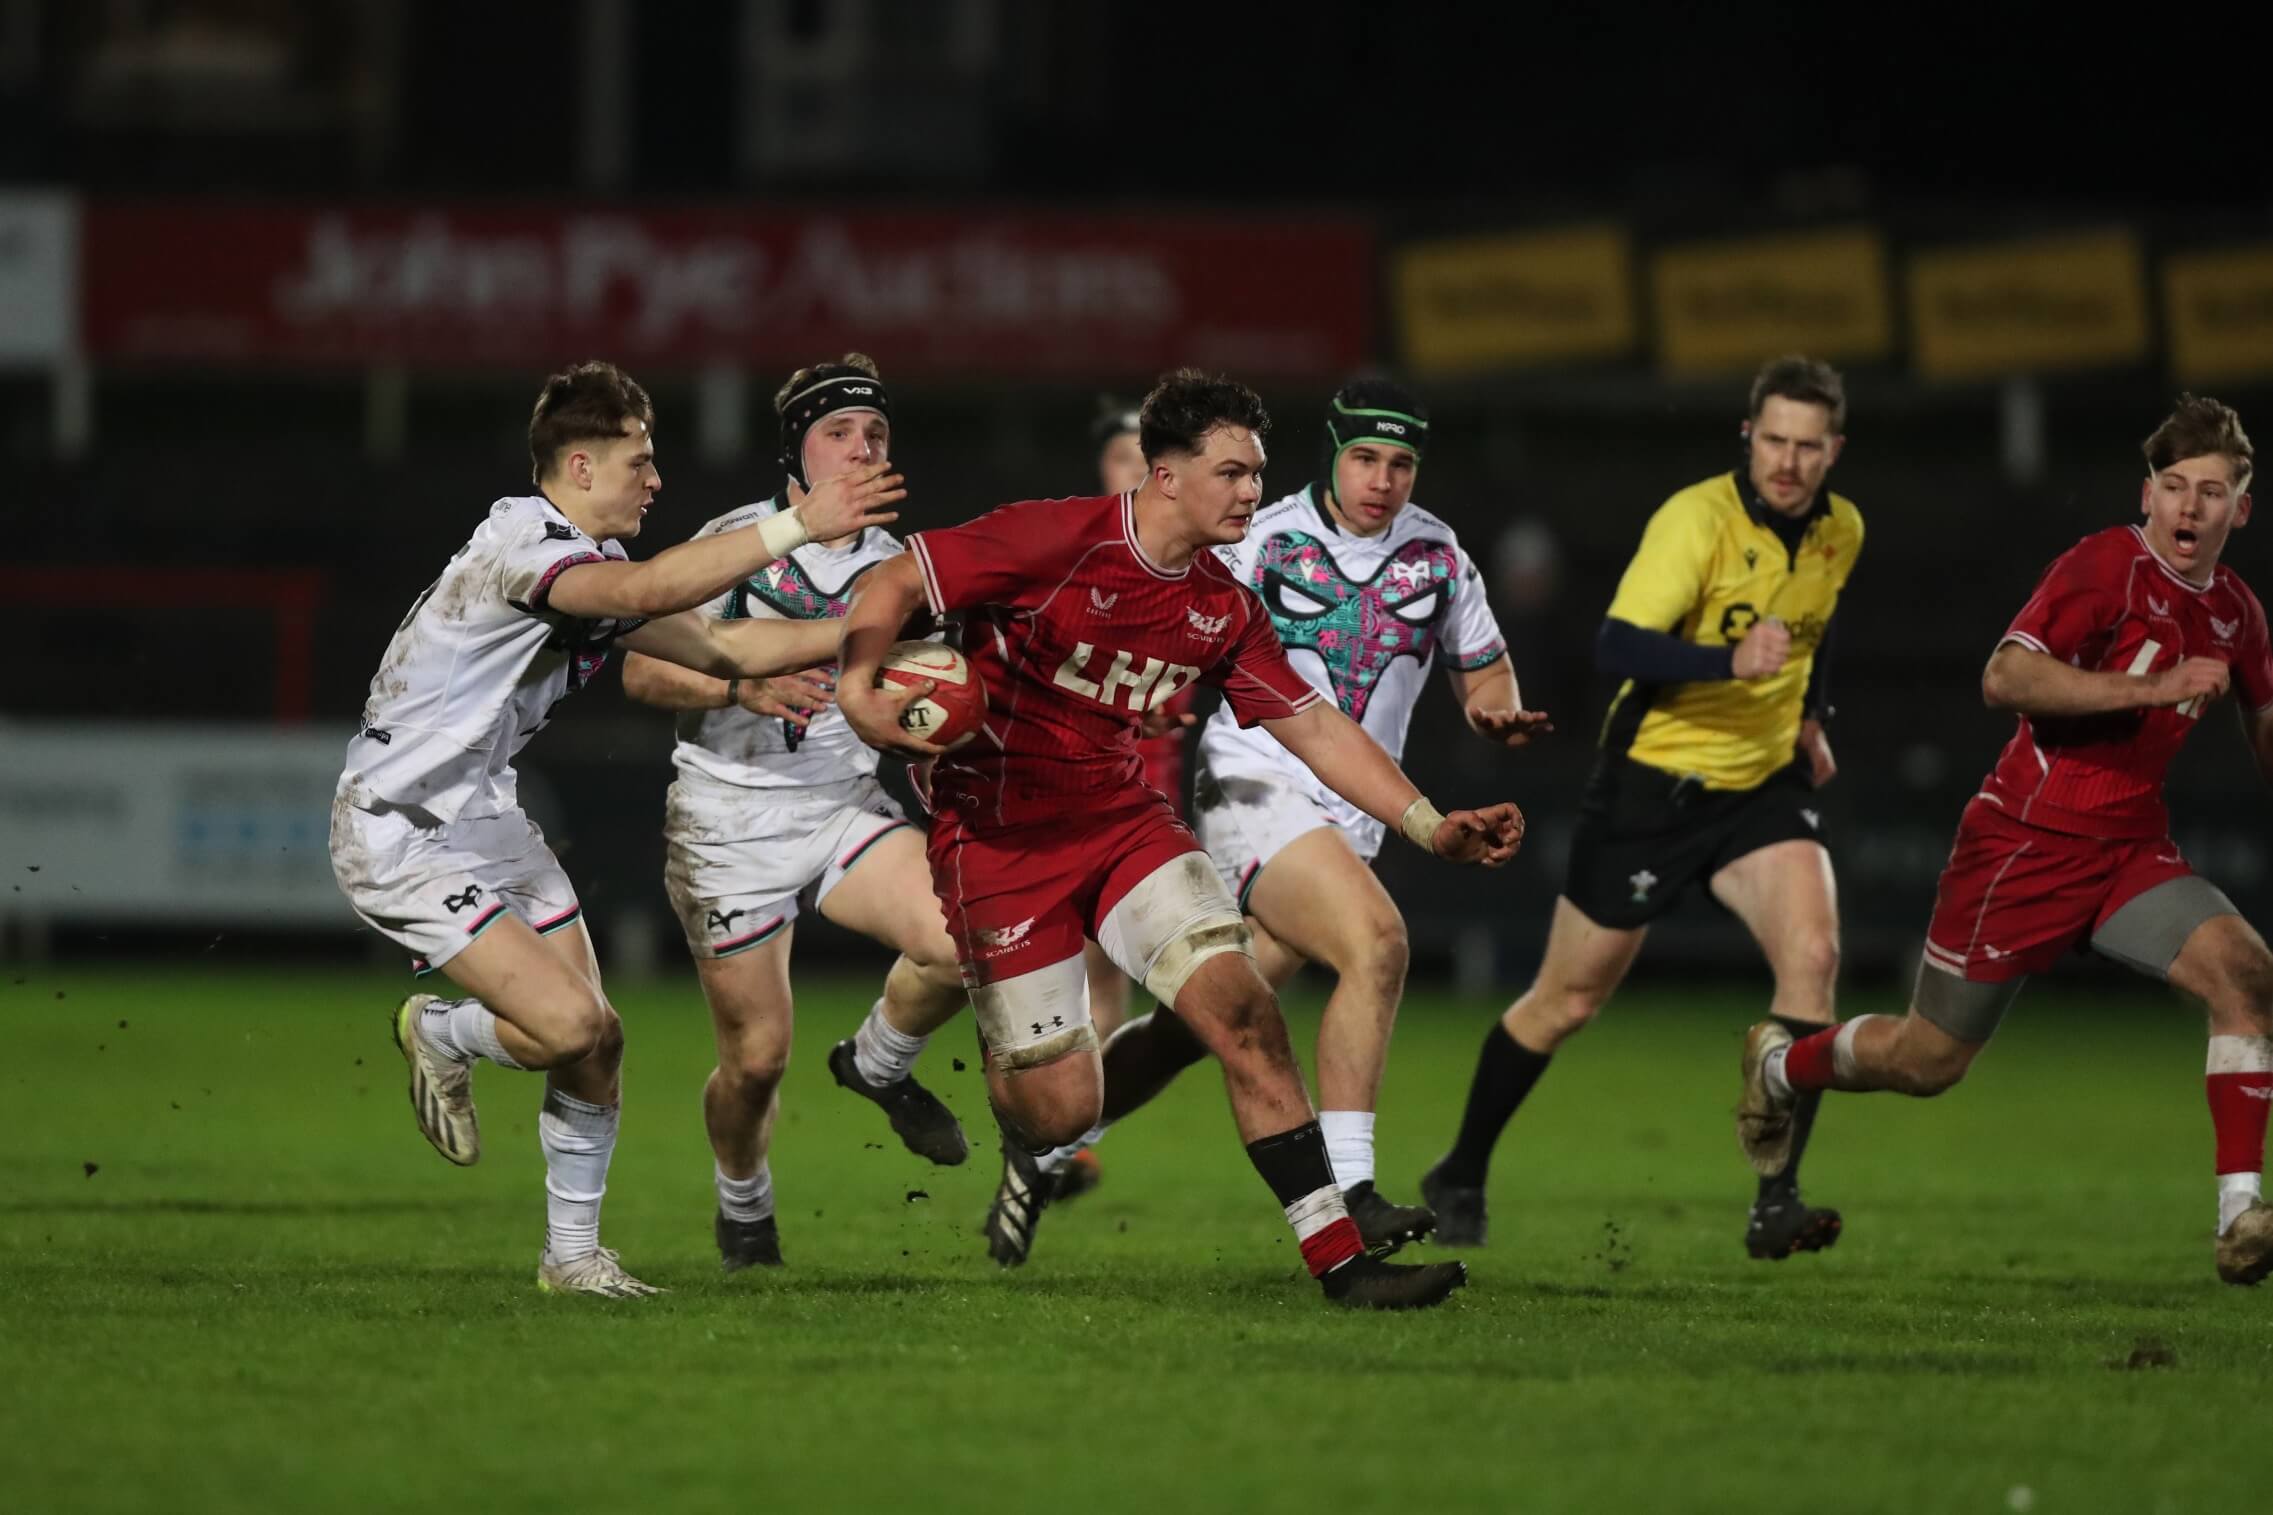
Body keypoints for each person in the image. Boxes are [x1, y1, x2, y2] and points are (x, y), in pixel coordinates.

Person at [834, 369, 1524, 1308]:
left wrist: (1430, 824)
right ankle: (1002, 1080)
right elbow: (896, 577)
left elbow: (1314, 726)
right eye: (1232, 473)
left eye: (1256, 473)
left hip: (1121, 825)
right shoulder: (1054, 538)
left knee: (1243, 1011)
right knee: (1062, 1110)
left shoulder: (1223, 604)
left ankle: (1342, 1263)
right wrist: (858, 685)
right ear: (1165, 476)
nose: (1251, 491)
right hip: (997, 841)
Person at [331, 360, 910, 1296]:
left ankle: (571, 1258)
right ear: (580, 466)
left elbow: (718, 642)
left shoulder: (590, 565)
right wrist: (801, 522)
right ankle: (444, 1030)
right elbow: (646, 596)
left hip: (486, 818)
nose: (655, 479)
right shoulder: (525, 546)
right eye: (638, 461)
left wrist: (891, 630)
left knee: (597, 1040)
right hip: (400, 830)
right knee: (571, 1023)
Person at [1740, 394, 2273, 1286]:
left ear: (2239, 509)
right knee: (1927, 1059)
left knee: (2247, 976)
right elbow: (2005, 676)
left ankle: (2239, 1216)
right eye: (2174, 485)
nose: (2189, 506)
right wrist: (2149, 688)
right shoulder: (2103, 566)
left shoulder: (2236, 612)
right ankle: (1780, 1067)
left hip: (2128, 851)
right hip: (2023, 843)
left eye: (2210, 491)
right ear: (2146, 495)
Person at [1031, 378, 1550, 1251]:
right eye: (1365, 457)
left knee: (1205, 1021)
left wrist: (1494, 709)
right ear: (1332, 454)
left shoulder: (1436, 555)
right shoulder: (1263, 537)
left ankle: (1047, 1141)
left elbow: (1483, 666)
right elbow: (1173, 616)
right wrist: (1135, 691)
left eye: (1400, 463)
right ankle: (1351, 1191)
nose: (1382, 479)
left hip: (1352, 817)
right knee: (1376, 943)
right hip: (1252, 784)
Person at [1424, 355, 1863, 1261]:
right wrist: (1725, 663)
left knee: (1813, 959)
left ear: (1834, 451)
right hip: (1651, 787)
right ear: (1748, 437)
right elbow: (1617, 644)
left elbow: (1811, 632)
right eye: (1773, 440)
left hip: (1760, 787)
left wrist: (1811, 716)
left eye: (1806, 445)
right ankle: (1458, 1171)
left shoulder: (1841, 530)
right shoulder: (1695, 518)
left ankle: (1774, 1201)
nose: (1787, 461)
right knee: (1565, 1001)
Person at [620, 354, 970, 1273]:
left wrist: (928, 720)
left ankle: (877, 1063)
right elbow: (639, 670)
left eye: (876, 434)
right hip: (724, 823)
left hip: (840, 808)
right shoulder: (733, 542)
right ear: (795, 451)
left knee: (960, 937)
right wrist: (737, 683)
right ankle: (744, 1203)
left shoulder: (904, 569)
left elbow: (929, 695)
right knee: (757, 1061)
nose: (862, 449)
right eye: (838, 432)